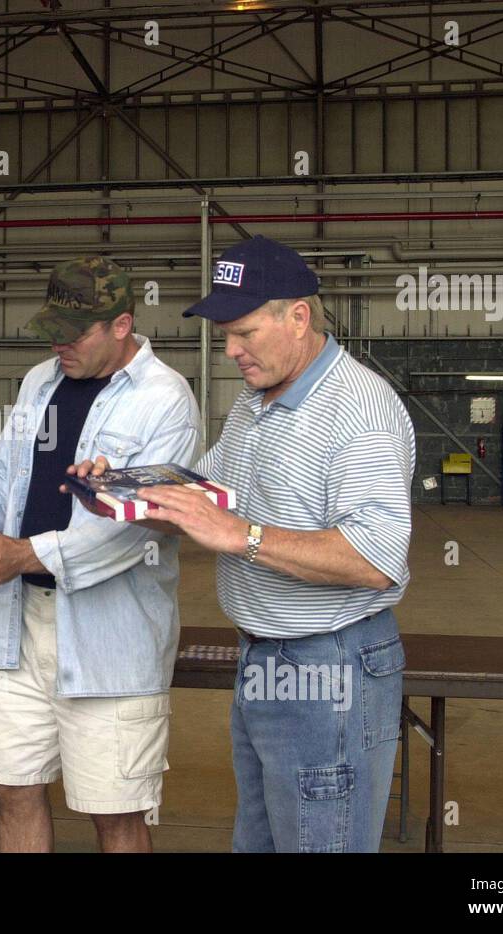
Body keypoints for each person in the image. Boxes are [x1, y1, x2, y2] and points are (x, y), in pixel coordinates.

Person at [75, 235, 415, 853]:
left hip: (329, 666)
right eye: (224, 333)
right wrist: (120, 497)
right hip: (264, 659)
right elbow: (204, 506)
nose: (230, 350)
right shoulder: (256, 405)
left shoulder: (359, 409)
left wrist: (242, 535)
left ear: (299, 317)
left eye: (245, 332)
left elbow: (376, 560)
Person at [0, 257, 201, 853]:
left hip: (111, 638)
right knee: (11, 787)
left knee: (115, 815)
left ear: (121, 325)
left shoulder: (165, 401)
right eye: (52, 329)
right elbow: (3, 483)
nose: (59, 343)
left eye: (75, 332)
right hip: (23, 631)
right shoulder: (40, 382)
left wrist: (22, 554)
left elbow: (133, 533)